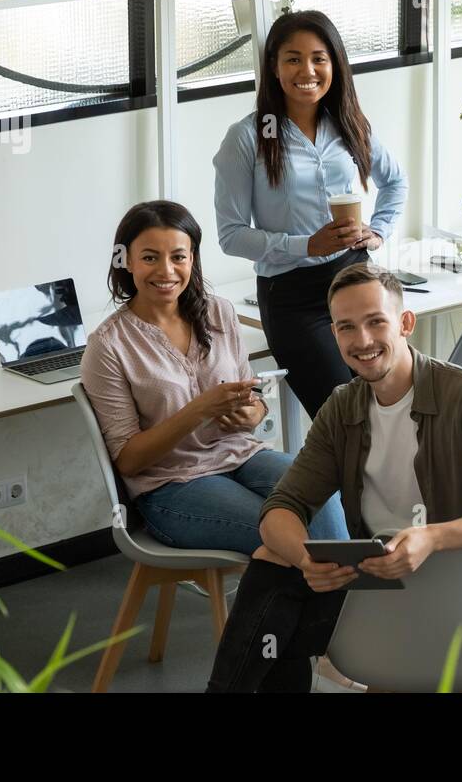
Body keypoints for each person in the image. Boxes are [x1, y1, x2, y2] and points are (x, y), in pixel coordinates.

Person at [206, 264, 462, 693]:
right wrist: (304, 560)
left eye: (376, 322)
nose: (363, 340)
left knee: (280, 620)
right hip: (380, 584)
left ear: (405, 323)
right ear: (334, 336)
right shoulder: (343, 407)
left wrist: (432, 537)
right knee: (272, 573)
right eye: (347, 327)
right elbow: (282, 507)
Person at [80, 200, 348, 555]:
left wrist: (252, 413)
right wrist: (200, 410)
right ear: (126, 260)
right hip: (171, 485)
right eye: (149, 257)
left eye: (178, 256)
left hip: (241, 455)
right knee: (283, 531)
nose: (166, 270)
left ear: (192, 259)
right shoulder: (108, 346)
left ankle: (341, 602)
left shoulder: (219, 312)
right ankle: (340, 601)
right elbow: (128, 460)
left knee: (321, 490)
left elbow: (253, 406)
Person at [214, 10, 408, 420]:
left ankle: (400, 486)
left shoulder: (350, 124)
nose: (308, 70)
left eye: (319, 58)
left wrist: (378, 231)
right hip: (292, 296)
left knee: (395, 405)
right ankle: (349, 486)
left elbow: (396, 182)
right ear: (274, 66)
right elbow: (230, 235)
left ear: (334, 64)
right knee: (346, 417)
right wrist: (306, 244)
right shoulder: (246, 138)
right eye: (293, 59)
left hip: (358, 278)